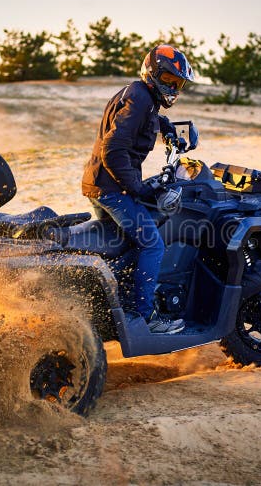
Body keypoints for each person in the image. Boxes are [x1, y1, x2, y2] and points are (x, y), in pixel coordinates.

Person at [81, 45, 195, 334]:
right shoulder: (140, 98)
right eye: (170, 80)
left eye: (178, 83)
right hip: (111, 188)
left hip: (101, 182)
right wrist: (136, 189)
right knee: (152, 243)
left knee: (121, 247)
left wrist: (167, 126)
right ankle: (144, 317)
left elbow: (144, 119)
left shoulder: (139, 95)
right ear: (154, 74)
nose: (173, 87)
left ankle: (112, 308)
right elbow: (114, 147)